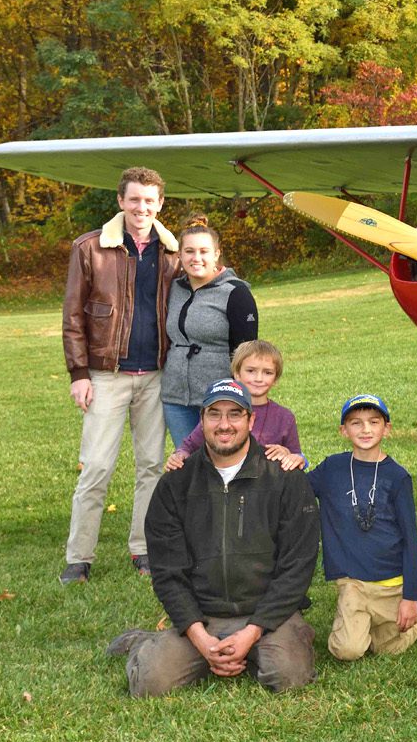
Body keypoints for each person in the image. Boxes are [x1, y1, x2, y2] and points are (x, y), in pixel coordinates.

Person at [118, 379, 321, 697]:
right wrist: (199, 637)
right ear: (202, 420)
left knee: (290, 678)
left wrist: (253, 631)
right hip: (204, 615)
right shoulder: (176, 484)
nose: (224, 424)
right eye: (214, 414)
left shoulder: (284, 478)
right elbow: (167, 572)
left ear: (251, 420)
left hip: (269, 615)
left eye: (235, 414)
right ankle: (146, 643)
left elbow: (298, 565)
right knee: (150, 684)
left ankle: (261, 648)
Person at [59, 166, 181, 585]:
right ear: (120, 202)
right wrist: (79, 372)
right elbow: (73, 314)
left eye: (149, 201)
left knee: (151, 466)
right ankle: (79, 557)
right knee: (96, 467)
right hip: (106, 374)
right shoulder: (90, 248)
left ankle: (143, 549)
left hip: (156, 377)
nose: (141, 207)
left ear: (160, 204)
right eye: (134, 200)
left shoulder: (173, 252)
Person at [308, 394, 417, 663]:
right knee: (347, 650)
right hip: (353, 583)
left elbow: (410, 539)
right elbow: (297, 489)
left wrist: (410, 596)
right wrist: (289, 458)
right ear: (344, 430)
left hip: (391, 584)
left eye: (374, 422)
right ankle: (358, 620)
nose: (365, 430)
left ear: (386, 428)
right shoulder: (332, 468)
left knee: (388, 648)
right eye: (356, 423)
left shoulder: (397, 476)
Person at [160, 216, 258, 449]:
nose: (197, 258)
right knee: (190, 464)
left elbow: (246, 352)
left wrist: (238, 398)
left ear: (216, 254)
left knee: (222, 461)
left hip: (220, 400)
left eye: (204, 251)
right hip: (176, 397)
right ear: (180, 256)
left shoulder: (236, 292)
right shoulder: (173, 288)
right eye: (189, 251)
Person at [167, 339, 303, 473]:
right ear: (237, 374)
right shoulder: (221, 410)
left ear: (275, 379)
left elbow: (298, 458)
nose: (259, 378)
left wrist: (288, 454)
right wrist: (179, 456)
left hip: (266, 488)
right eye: (251, 371)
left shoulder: (285, 417)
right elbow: (189, 446)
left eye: (267, 372)